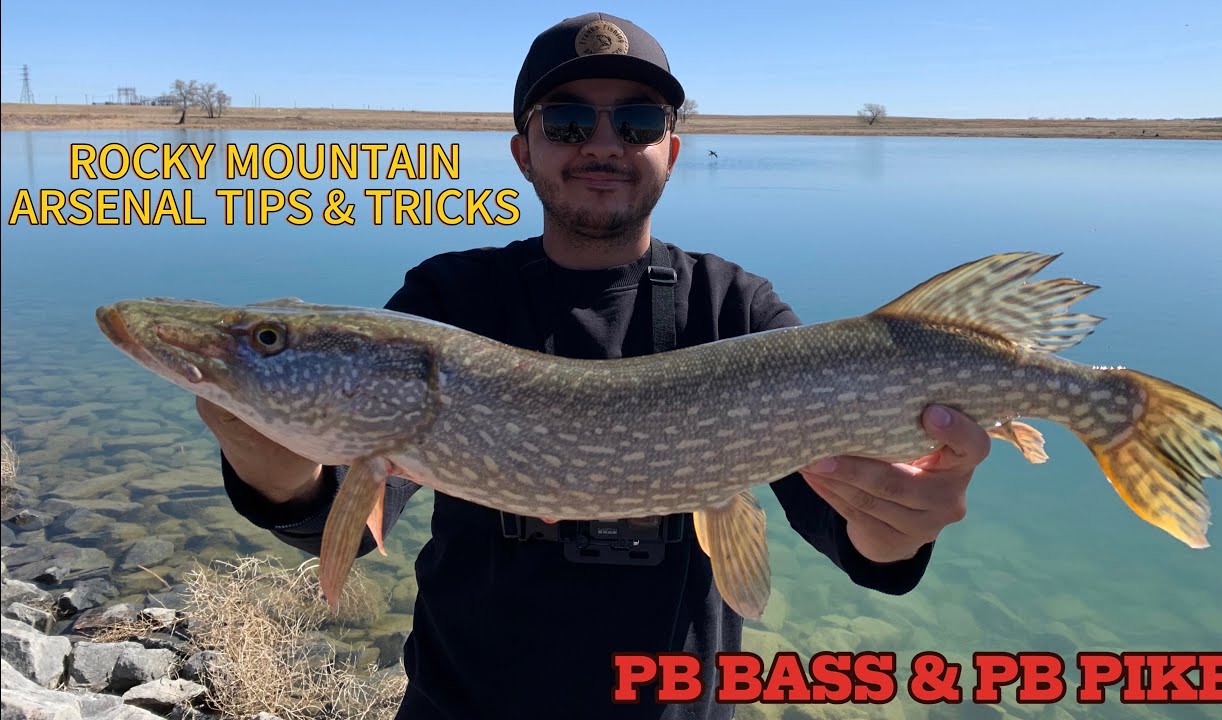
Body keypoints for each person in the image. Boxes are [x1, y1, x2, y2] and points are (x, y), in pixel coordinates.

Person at [196, 12, 990, 720]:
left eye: (637, 120)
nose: (604, 144)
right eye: (569, 121)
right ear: (524, 151)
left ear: (671, 150)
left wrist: (896, 526)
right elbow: (355, 517)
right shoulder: (447, 300)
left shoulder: (736, 308)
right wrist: (279, 475)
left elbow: (847, 526)